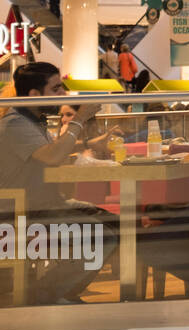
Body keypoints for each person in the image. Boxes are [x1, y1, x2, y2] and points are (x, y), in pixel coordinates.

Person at [0, 62, 120, 304]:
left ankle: (58, 291)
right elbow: (53, 156)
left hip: (43, 204)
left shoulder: (33, 119)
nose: (63, 95)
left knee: (115, 224)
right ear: (34, 95)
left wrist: (87, 145)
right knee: (100, 236)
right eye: (56, 89)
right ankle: (46, 295)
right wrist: (81, 117)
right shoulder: (15, 123)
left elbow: (48, 150)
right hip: (20, 213)